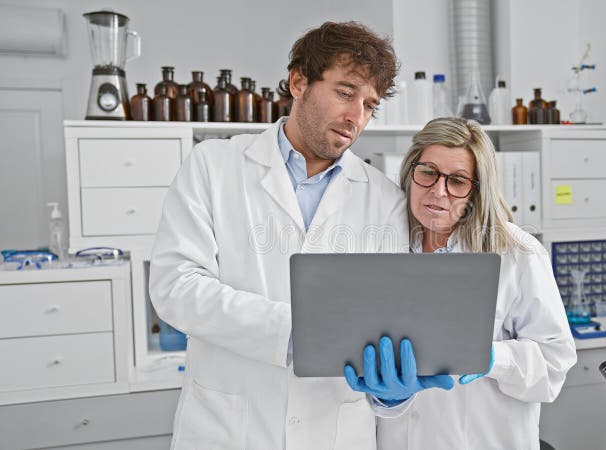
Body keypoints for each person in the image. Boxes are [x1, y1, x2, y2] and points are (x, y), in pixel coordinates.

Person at [149, 22, 444, 450]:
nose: (355, 117)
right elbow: (175, 286)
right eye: (345, 93)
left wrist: (390, 391)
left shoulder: (385, 200)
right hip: (229, 430)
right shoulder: (213, 166)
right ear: (298, 81)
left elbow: (386, 323)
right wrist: (296, 333)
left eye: (369, 105)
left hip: (336, 433)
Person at [367, 117, 577, 449]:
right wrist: (388, 397)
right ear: (410, 173)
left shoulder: (516, 252)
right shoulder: (378, 245)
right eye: (428, 173)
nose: (438, 191)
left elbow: (554, 363)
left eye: (458, 181)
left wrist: (491, 357)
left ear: (476, 191)